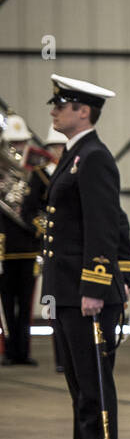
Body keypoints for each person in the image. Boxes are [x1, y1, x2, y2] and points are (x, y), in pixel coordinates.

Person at [39, 75, 130, 439]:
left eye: (62, 104)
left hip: (86, 294)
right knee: (77, 381)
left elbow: (105, 223)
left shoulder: (93, 157)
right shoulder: (74, 155)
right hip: (68, 291)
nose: (54, 110)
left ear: (84, 111)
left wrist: (98, 285)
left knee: (94, 381)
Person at [1, 115, 46, 366]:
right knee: (6, 302)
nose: (17, 147)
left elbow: (41, 206)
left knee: (26, 304)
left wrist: (39, 229)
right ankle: (9, 351)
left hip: (29, 247)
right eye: (13, 143)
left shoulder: (36, 172)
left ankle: (24, 351)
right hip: (4, 248)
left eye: (21, 142)